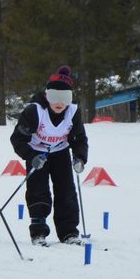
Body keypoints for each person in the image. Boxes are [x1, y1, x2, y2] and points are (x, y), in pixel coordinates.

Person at [10, 66, 89, 246]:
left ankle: (68, 232)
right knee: (38, 190)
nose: (59, 103)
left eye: (65, 98)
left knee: (66, 190)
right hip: (37, 153)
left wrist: (80, 157)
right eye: (54, 96)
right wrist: (30, 156)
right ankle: (38, 232)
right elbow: (17, 139)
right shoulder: (34, 111)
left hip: (60, 152)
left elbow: (79, 138)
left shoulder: (73, 112)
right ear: (47, 95)